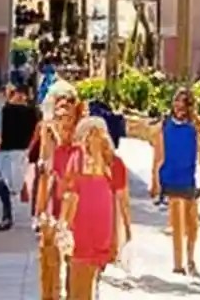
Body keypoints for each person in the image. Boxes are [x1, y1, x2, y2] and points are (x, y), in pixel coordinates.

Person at [61, 116, 131, 299]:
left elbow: (70, 197)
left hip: (82, 233)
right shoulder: (115, 164)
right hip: (103, 235)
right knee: (91, 280)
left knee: (77, 285)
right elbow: (122, 201)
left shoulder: (77, 160)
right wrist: (125, 233)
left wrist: (63, 225)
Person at [149, 87, 200, 275]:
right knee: (177, 221)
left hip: (188, 177)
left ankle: (191, 259)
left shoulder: (195, 127)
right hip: (170, 176)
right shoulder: (164, 125)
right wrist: (155, 180)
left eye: (184, 102)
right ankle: (178, 264)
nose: (179, 105)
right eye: (176, 101)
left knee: (192, 224)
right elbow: (158, 155)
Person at [35, 80, 84, 300]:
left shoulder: (84, 140)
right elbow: (45, 174)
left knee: (75, 271)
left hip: (79, 213)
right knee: (49, 268)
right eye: (59, 116)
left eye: (68, 116)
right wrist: (39, 213)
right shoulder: (49, 136)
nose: (64, 122)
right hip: (54, 209)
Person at [0, 81, 40, 231]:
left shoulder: (31, 111)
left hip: (20, 151)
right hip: (7, 150)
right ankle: (7, 215)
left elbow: (36, 132)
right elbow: (1, 130)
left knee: (18, 184)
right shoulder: (7, 109)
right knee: (2, 182)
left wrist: (30, 149)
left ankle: (33, 216)